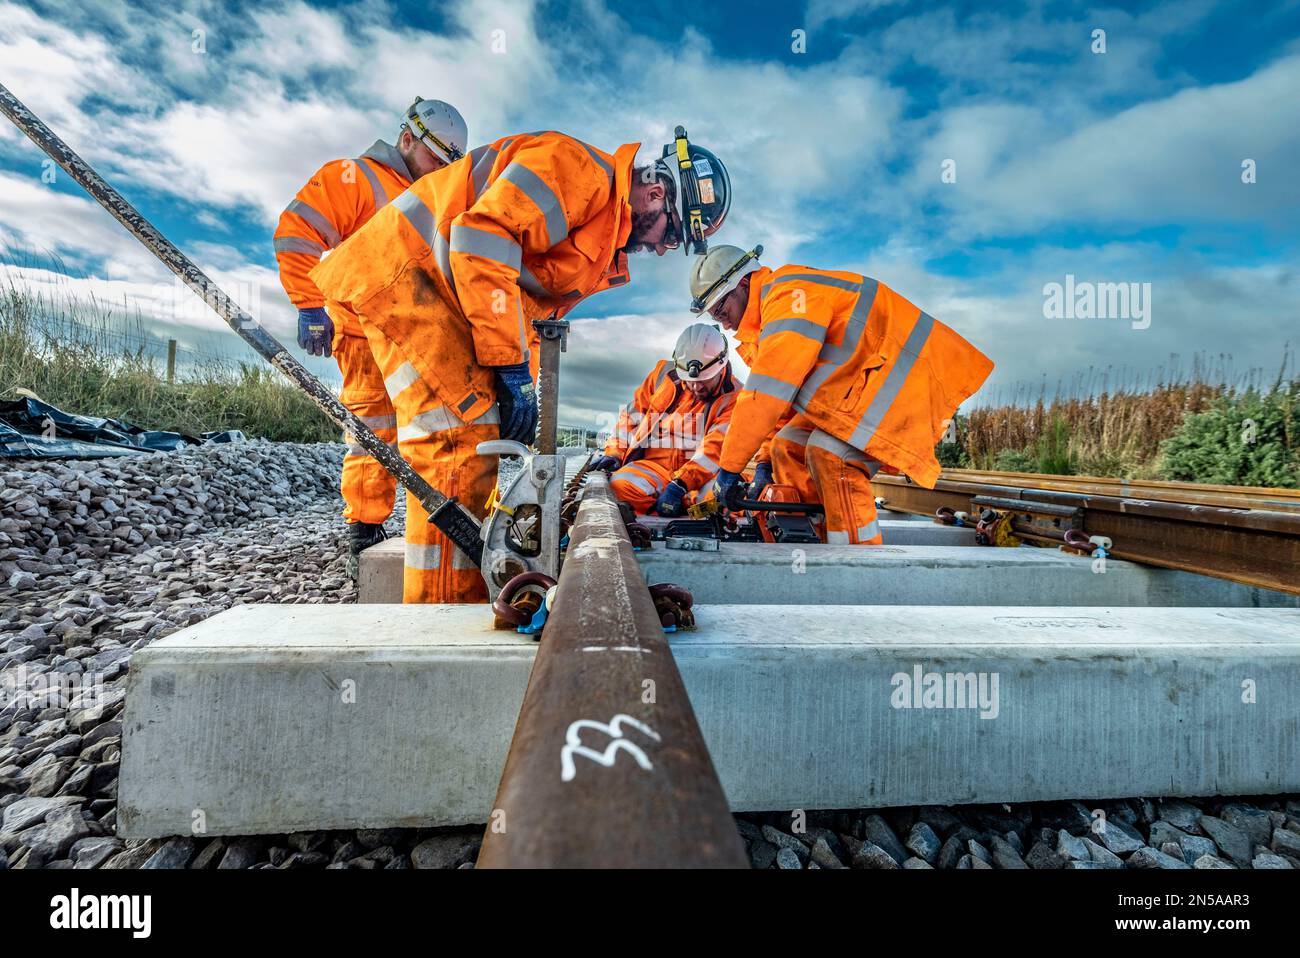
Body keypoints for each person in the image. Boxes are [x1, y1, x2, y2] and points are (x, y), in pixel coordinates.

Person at [311, 128, 732, 602]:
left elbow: (524, 305)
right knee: (457, 443)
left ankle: (436, 586)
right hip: (408, 278)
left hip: (410, 284)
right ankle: (441, 620)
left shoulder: (599, 224)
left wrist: (521, 377)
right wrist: (509, 368)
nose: (661, 248)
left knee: (446, 440)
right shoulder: (578, 172)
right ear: (655, 194)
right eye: (671, 234)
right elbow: (480, 237)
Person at [274, 97, 468, 576]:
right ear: (407, 138)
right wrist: (309, 305)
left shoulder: (435, 196)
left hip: (416, 335)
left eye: (447, 165)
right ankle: (364, 528)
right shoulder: (355, 178)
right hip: (362, 332)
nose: (436, 171)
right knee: (374, 430)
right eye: (434, 159)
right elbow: (295, 232)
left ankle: (440, 527)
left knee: (434, 431)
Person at [687, 244, 994, 544]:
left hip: (904, 391)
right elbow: (782, 403)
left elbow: (764, 395)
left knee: (831, 456)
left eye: (721, 309)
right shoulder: (769, 320)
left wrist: (729, 468)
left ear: (742, 284)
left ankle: (859, 566)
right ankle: (811, 543)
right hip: (863, 395)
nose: (722, 322)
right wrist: (765, 461)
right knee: (786, 446)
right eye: (714, 316)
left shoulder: (788, 298)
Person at [594, 324, 741, 516]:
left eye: (703, 380)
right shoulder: (662, 375)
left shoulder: (736, 397)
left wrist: (681, 484)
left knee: (717, 505)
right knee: (619, 487)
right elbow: (631, 417)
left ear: (721, 366)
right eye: (689, 380)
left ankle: (683, 513)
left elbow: (713, 450)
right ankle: (664, 515)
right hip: (655, 467)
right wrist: (614, 453)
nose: (695, 387)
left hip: (699, 477)